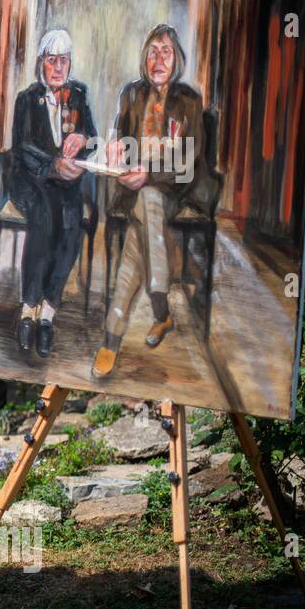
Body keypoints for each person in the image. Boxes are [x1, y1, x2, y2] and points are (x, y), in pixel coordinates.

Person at [93, 23, 212, 379]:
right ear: (145, 58)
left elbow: (189, 161)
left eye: (166, 52)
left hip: (178, 192)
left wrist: (148, 174)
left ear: (177, 60)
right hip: (138, 195)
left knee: (148, 208)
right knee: (143, 219)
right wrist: (115, 149)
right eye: (152, 52)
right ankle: (161, 309)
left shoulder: (188, 100)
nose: (158, 59)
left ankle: (112, 339)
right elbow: (120, 135)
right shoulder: (132, 95)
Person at [8, 28, 97, 357]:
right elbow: (23, 147)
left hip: (66, 182)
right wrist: (53, 165)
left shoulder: (79, 94)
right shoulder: (27, 99)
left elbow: (92, 136)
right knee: (44, 219)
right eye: (51, 60)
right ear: (40, 63)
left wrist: (83, 142)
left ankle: (47, 313)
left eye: (64, 60)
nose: (58, 67)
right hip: (32, 178)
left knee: (71, 224)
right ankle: (27, 309)